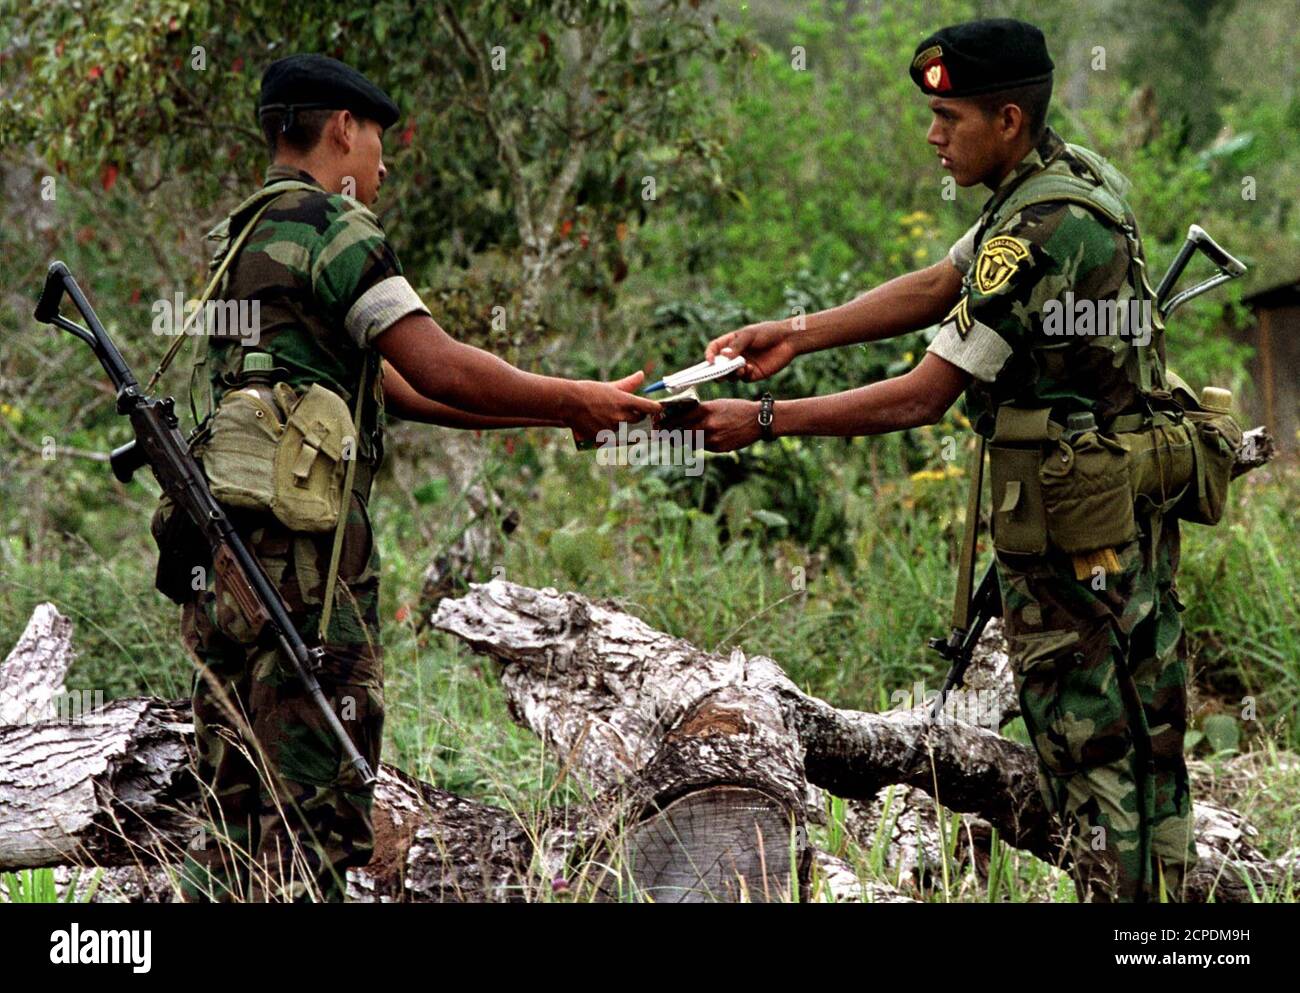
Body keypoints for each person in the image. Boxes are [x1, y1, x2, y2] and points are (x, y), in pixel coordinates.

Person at [682, 18, 1199, 903]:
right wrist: (798, 335)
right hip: (1098, 529)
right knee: (1134, 758)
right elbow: (939, 283)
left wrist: (764, 418)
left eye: (949, 116)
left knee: (1104, 768)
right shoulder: (1057, 182)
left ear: (1006, 119)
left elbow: (924, 394)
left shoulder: (1041, 226)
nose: (933, 134)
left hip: (1084, 557)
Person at [175, 54, 660, 902]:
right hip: (310, 580)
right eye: (375, 138)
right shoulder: (335, 228)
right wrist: (575, 393)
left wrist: (557, 411)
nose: (381, 163)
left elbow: (391, 388)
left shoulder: (239, 236)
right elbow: (437, 364)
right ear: (339, 129)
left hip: (226, 575)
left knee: (234, 806)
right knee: (317, 815)